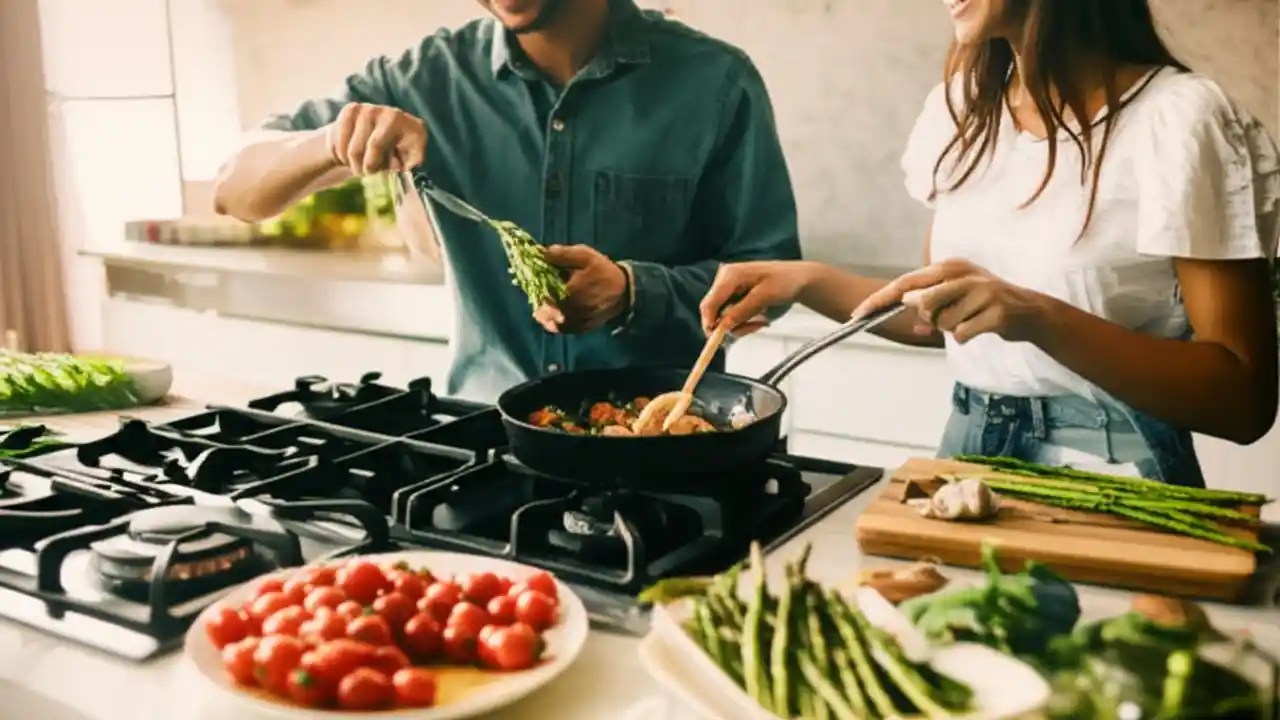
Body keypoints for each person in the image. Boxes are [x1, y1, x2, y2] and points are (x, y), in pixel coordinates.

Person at [700, 0, 1279, 487]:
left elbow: (1242, 398)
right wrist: (806, 281)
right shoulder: (963, 113)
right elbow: (939, 317)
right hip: (967, 461)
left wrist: (1035, 316)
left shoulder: (1180, 121)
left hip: (1121, 476)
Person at [213, 0, 799, 402]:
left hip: (660, 446)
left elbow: (772, 279)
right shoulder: (425, 78)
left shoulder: (714, 82)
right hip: (479, 446)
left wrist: (632, 294)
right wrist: (330, 141)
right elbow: (236, 189)